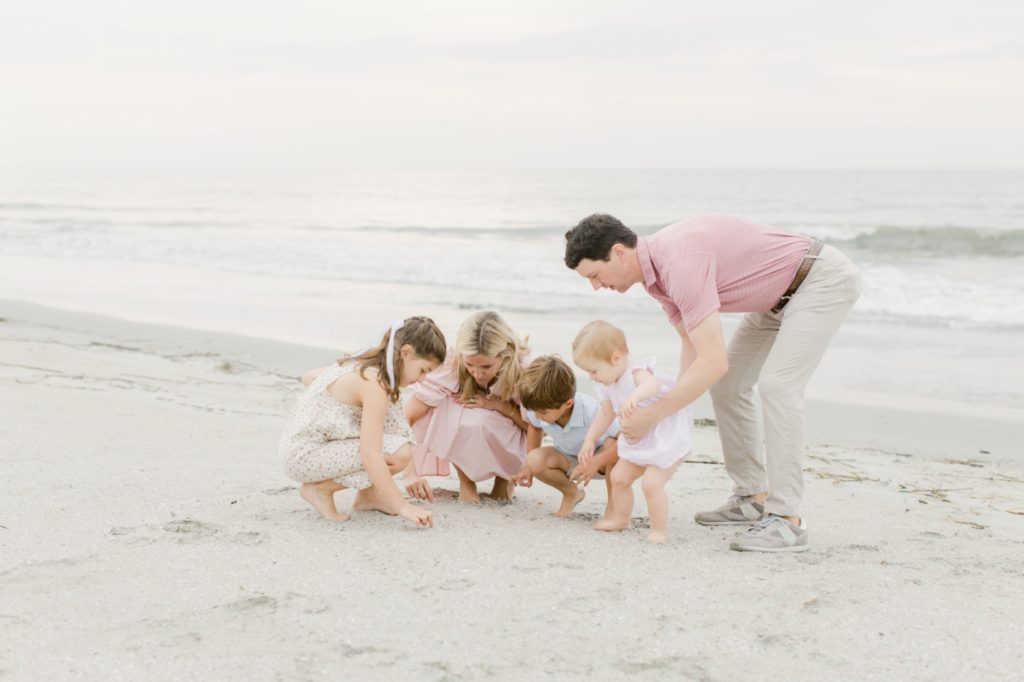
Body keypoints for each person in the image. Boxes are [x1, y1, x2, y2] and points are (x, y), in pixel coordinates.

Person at [564, 213, 862, 552]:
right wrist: (668, 416)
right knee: (729, 385)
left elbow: (713, 360)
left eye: (594, 275)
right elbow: (692, 348)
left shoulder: (679, 264)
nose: (595, 286)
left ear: (618, 253)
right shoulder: (655, 279)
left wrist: (655, 414)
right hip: (775, 300)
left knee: (778, 386)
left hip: (817, 280)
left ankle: (787, 520)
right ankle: (752, 496)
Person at [280, 317, 445, 527]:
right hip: (304, 456)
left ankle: (370, 496)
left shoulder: (360, 361)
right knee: (398, 453)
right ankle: (320, 489)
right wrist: (401, 505)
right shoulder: (374, 383)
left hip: (296, 447)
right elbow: (370, 454)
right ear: (405, 352)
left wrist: (340, 414)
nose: (422, 379)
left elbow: (308, 377)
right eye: (423, 370)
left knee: (383, 432)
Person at [570, 321, 692, 543]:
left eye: (594, 370)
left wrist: (635, 396)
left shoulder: (636, 373)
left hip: (664, 439)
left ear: (615, 358)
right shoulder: (610, 385)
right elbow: (605, 414)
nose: (591, 377)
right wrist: (590, 439)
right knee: (618, 477)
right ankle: (620, 518)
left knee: (651, 484)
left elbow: (652, 384)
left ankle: (658, 530)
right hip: (639, 441)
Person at [404, 311, 530, 504]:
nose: (477, 374)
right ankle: (466, 482)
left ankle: (505, 478)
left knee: (485, 420)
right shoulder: (452, 363)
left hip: (512, 433)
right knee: (445, 406)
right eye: (470, 364)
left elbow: (536, 427)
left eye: (486, 367)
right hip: (468, 425)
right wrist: (409, 473)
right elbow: (408, 417)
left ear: (505, 356)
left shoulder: (524, 371)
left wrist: (499, 405)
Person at [511, 355, 620, 518]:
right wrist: (528, 468)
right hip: (569, 459)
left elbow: (624, 443)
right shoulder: (538, 409)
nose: (538, 416)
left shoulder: (592, 412)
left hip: (602, 461)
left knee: (611, 443)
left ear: (568, 404)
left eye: (543, 413)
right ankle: (572, 492)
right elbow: (534, 426)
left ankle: (614, 507)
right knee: (533, 459)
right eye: (535, 412)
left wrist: (596, 462)